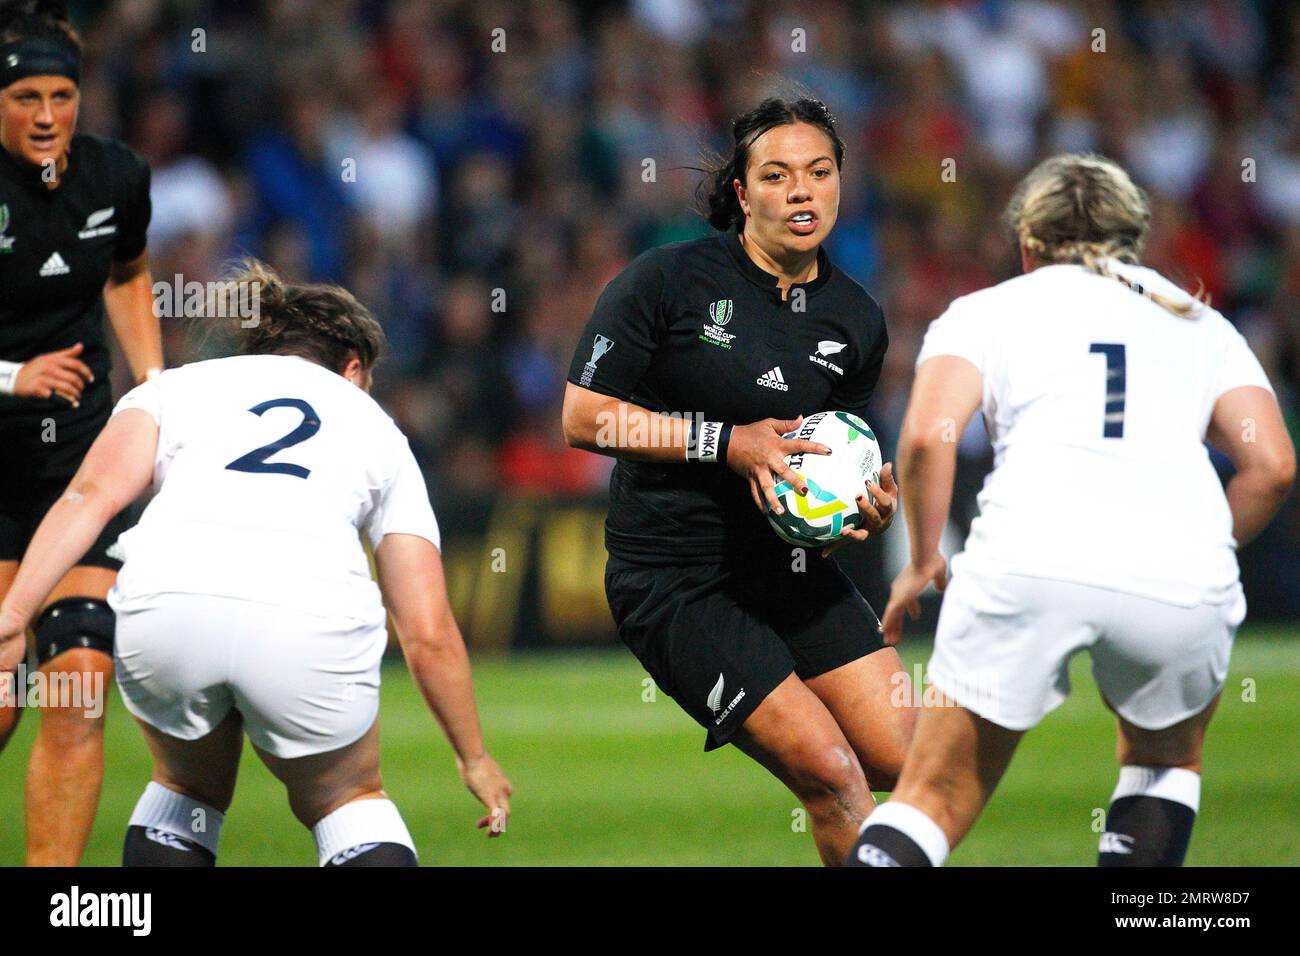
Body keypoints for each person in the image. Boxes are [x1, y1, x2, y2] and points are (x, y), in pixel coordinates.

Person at [848, 154, 1296, 868]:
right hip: (1179, 569)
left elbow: (929, 437)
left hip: (1029, 554)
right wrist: (1206, 542)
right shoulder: (1198, 321)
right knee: (1162, 765)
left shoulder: (987, 313)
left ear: (1027, 244)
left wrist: (926, 557)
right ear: (1134, 240)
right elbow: (1273, 465)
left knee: (931, 801)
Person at [0, 261, 512, 866]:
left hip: (167, 608)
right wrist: (473, 755)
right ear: (353, 366)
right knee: (348, 799)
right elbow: (427, 633)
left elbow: (89, 498)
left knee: (185, 792)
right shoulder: (377, 428)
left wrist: (11, 618)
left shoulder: (173, 388)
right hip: (305, 621)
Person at [562, 96, 915, 866]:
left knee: (905, 760)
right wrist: (726, 443)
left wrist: (865, 511)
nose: (801, 191)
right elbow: (586, 419)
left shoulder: (856, 320)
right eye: (778, 175)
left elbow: (841, 448)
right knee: (833, 777)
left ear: (840, 185)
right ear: (742, 192)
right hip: (676, 579)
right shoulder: (666, 281)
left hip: (784, 568)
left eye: (819, 173)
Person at [0, 0, 164, 865]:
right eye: (25, 96)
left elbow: (130, 277)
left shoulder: (117, 178)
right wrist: (11, 377)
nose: (46, 115)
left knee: (78, 689)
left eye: (61, 95)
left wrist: (156, 391)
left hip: (79, 474)